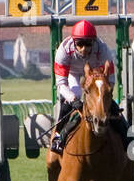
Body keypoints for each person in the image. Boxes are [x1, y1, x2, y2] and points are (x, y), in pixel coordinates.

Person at [49, 20, 128, 153]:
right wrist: (73, 99)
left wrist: (104, 95)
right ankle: (58, 137)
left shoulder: (102, 49)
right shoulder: (63, 50)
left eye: (88, 44)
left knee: (109, 104)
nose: (84, 48)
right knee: (70, 103)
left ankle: (127, 136)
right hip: (72, 74)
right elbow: (61, 83)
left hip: (95, 75)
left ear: (94, 42)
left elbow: (111, 80)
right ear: (74, 42)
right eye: (80, 44)